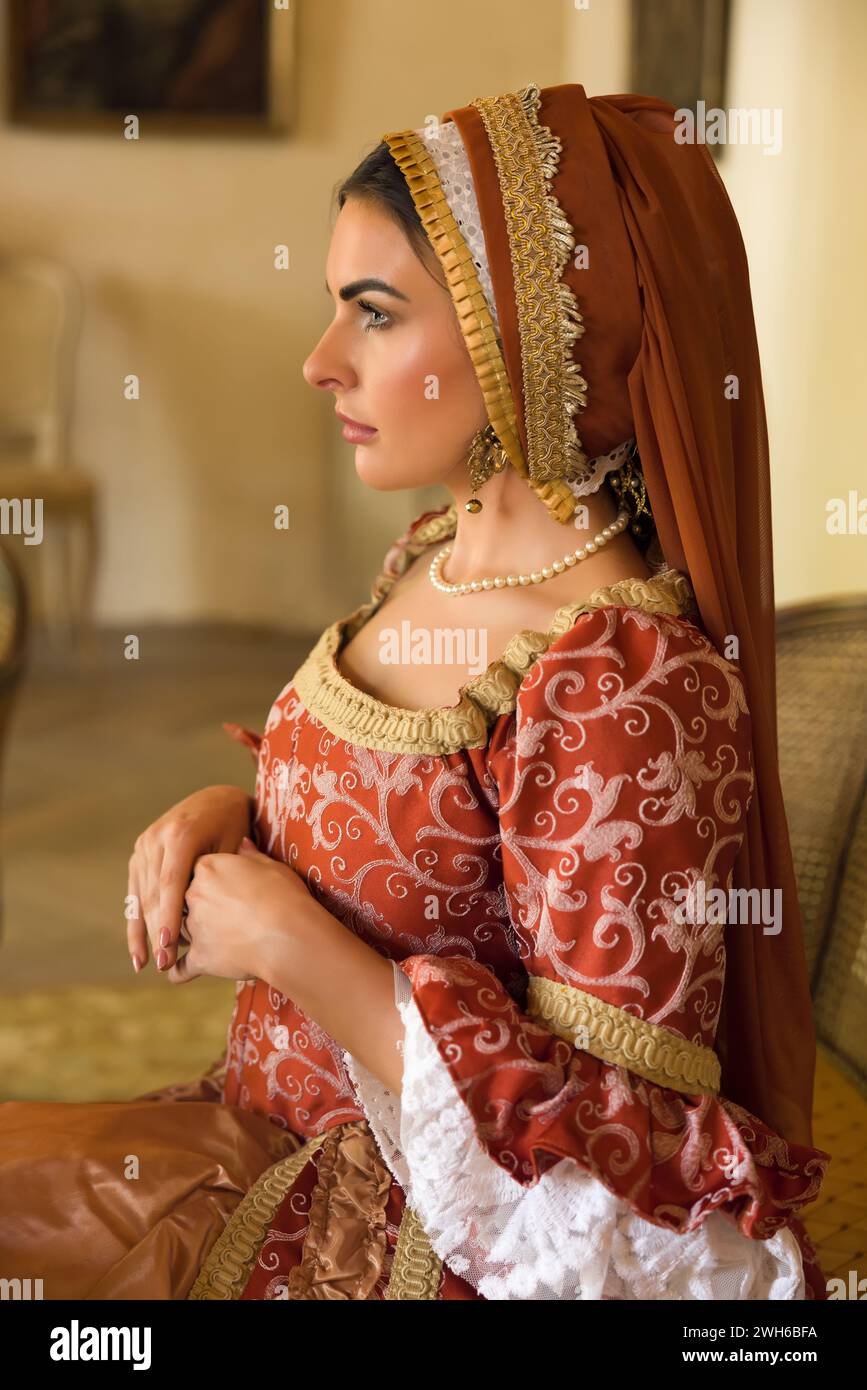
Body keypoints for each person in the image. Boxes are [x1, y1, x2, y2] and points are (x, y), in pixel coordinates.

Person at [0, 80, 831, 1300]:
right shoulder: (433, 554)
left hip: (395, 1238)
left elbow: (621, 1179)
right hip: (249, 1141)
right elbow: (432, 856)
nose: (320, 361)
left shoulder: (620, 680)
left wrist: (293, 944)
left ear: (533, 346)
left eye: (375, 316)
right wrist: (240, 814)